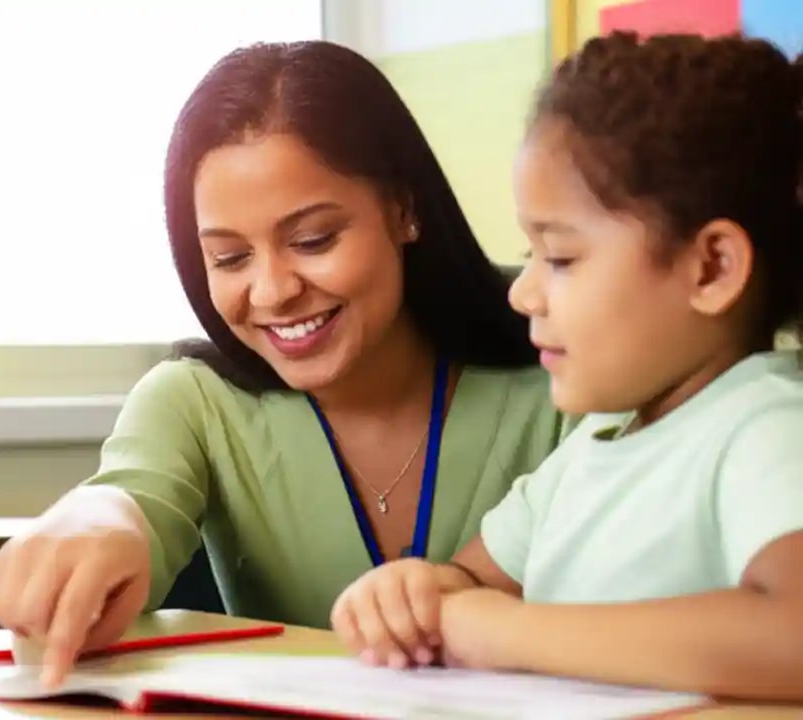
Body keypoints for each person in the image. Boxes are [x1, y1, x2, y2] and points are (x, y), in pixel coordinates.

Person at [0, 39, 571, 688]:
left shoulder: (566, 344)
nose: (271, 292)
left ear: (403, 209)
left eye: (313, 240)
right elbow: (132, 496)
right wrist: (91, 519)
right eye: (230, 258)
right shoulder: (195, 400)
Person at [330, 31, 803, 701]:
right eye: (531, 256)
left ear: (711, 268)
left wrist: (509, 633)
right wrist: (416, 594)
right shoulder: (590, 448)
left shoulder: (766, 426)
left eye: (560, 258)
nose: (522, 294)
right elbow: (471, 585)